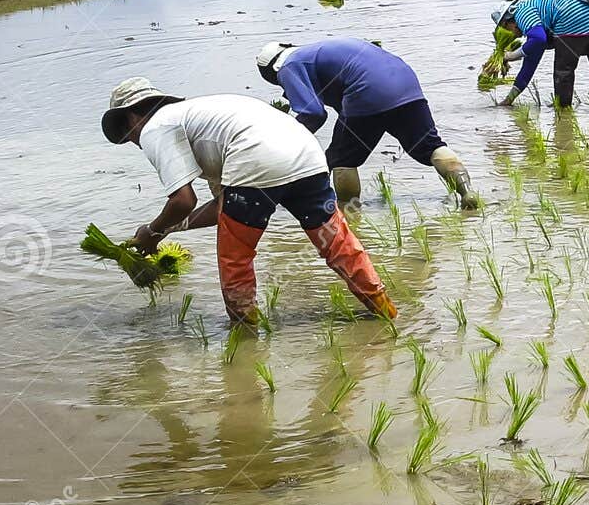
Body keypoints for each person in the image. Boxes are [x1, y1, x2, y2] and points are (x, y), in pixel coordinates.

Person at [101, 78, 395, 325]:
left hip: (255, 157)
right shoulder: (201, 117)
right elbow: (223, 209)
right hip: (307, 155)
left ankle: (245, 339)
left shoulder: (155, 127)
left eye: (129, 136)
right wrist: (170, 230)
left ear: (132, 117)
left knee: (235, 258)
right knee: (338, 243)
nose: (135, 142)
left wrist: (151, 232)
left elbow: (183, 200)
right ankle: (384, 310)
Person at [256, 38, 477, 211]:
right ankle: (468, 193)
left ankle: (348, 214)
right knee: (430, 146)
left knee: (342, 159)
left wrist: (285, 142)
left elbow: (313, 114)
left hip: (366, 91)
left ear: (271, 73)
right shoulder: (317, 52)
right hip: (405, 81)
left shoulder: (288, 66)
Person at [492, 0, 589, 111]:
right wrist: (509, 99)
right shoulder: (538, 16)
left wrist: (511, 55)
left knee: (563, 71)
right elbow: (529, 65)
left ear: (508, 21)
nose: (515, 35)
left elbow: (538, 39)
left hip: (572, 18)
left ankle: (563, 111)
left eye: (507, 28)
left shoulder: (521, 11)